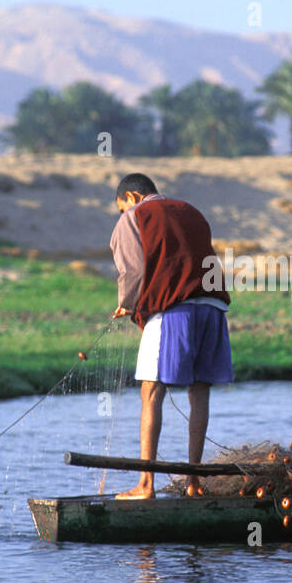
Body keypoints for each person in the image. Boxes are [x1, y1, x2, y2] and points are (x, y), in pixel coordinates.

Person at [109, 173, 232, 498]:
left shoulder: (135, 216)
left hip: (174, 309)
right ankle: (194, 482)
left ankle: (145, 484)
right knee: (199, 391)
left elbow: (133, 271)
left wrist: (128, 305)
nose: (123, 215)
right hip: (212, 306)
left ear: (132, 197)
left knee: (151, 391)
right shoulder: (190, 210)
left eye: (122, 208)